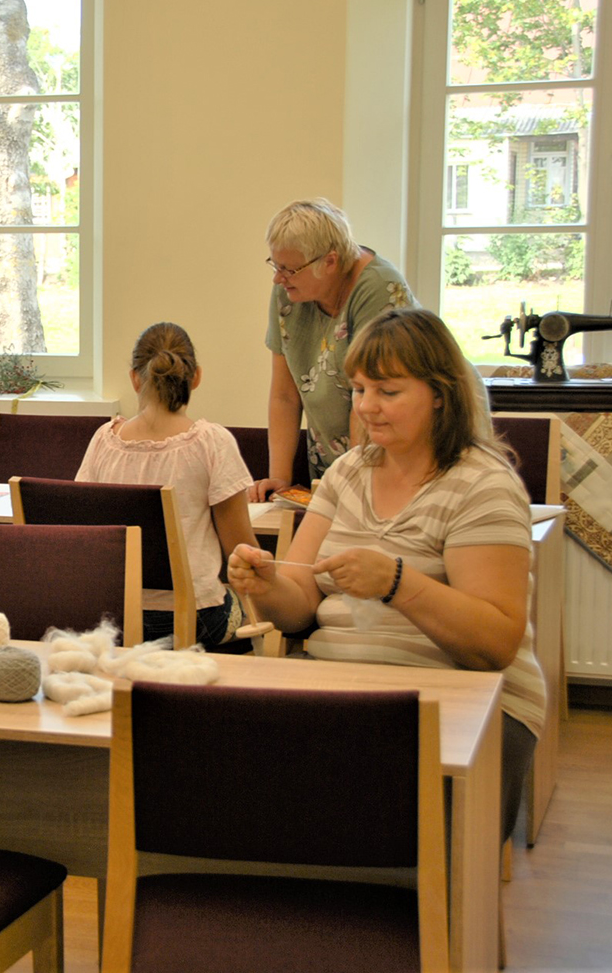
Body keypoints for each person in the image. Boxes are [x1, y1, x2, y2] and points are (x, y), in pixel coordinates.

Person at [228, 308, 544, 844]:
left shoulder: (481, 486)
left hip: (469, 704)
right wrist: (268, 585)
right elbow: (300, 605)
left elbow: (494, 644)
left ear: (440, 394)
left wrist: (399, 583)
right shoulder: (348, 472)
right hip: (348, 698)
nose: (367, 407)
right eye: (358, 389)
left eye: (388, 392)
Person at [77, 322, 256, 649]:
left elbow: (82, 534)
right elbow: (241, 552)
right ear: (196, 376)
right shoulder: (212, 443)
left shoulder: (103, 441)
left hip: (111, 619)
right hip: (192, 619)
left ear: (134, 378)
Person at [253, 198, 418, 501]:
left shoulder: (378, 288)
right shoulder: (288, 291)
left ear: (329, 262)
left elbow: (370, 399)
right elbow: (285, 395)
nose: (278, 278)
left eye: (289, 269)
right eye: (276, 266)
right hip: (335, 469)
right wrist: (280, 478)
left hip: (389, 466)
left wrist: (353, 484)